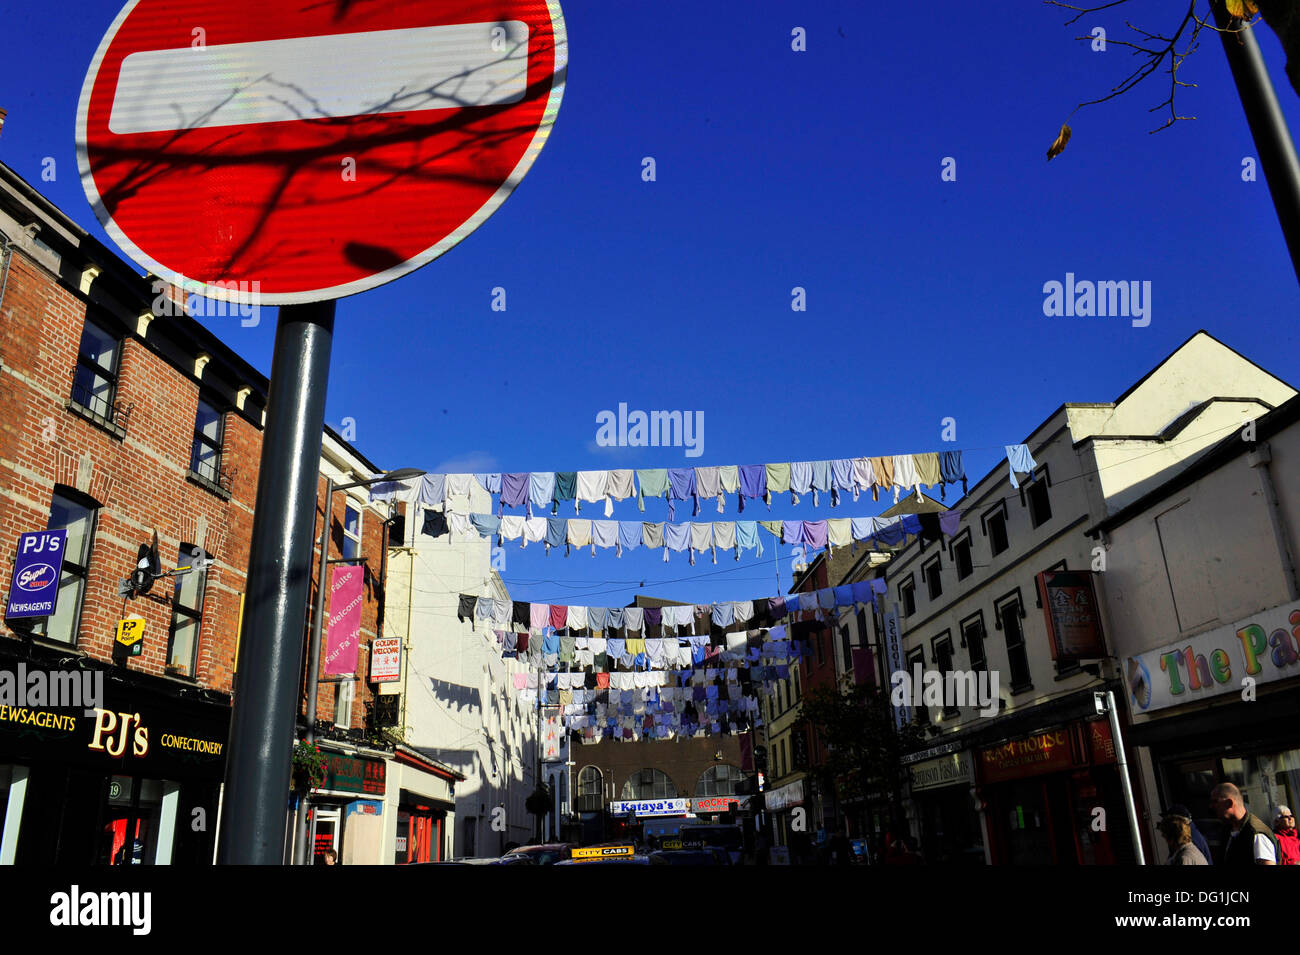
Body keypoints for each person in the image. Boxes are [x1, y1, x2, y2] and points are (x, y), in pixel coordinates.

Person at [1209, 782, 1277, 866]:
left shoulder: (1256, 834)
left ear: (1229, 803)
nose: (1211, 806)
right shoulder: (1228, 831)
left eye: (1215, 801)